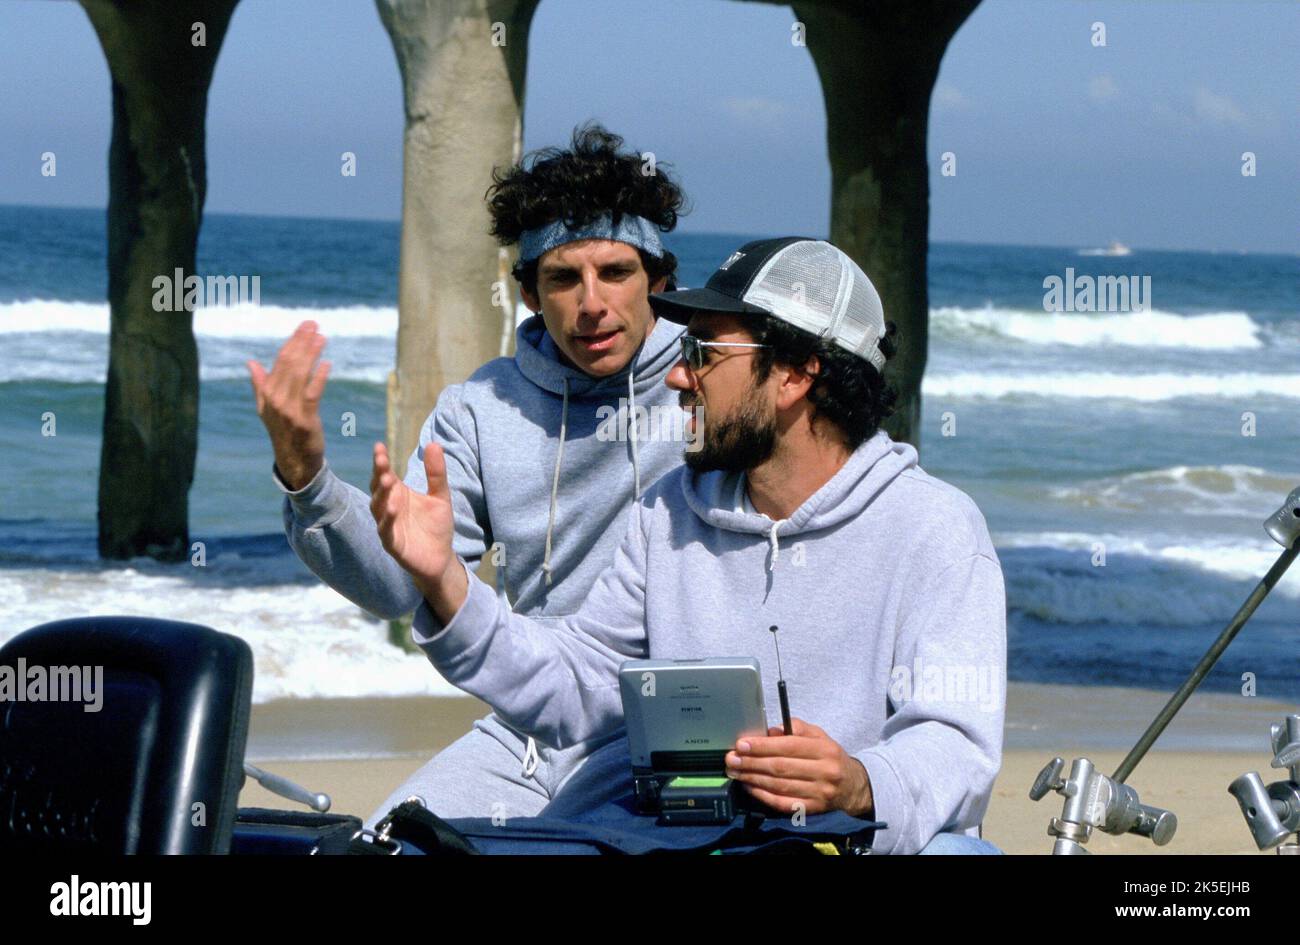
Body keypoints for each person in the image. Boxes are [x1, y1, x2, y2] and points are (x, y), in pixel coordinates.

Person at [372, 237, 1008, 854]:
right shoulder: (670, 508)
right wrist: (448, 587)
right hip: (687, 831)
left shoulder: (936, 528)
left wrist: (860, 782)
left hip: (848, 840)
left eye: (703, 352)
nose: (678, 376)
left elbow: (955, 746)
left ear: (793, 374)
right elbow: (580, 683)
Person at [247, 125, 692, 821]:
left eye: (616, 272)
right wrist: (306, 479)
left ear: (659, 280)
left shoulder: (715, 385)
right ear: (527, 294)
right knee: (384, 843)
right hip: (527, 733)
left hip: (669, 736)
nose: (592, 303)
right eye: (563, 277)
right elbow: (398, 587)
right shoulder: (478, 409)